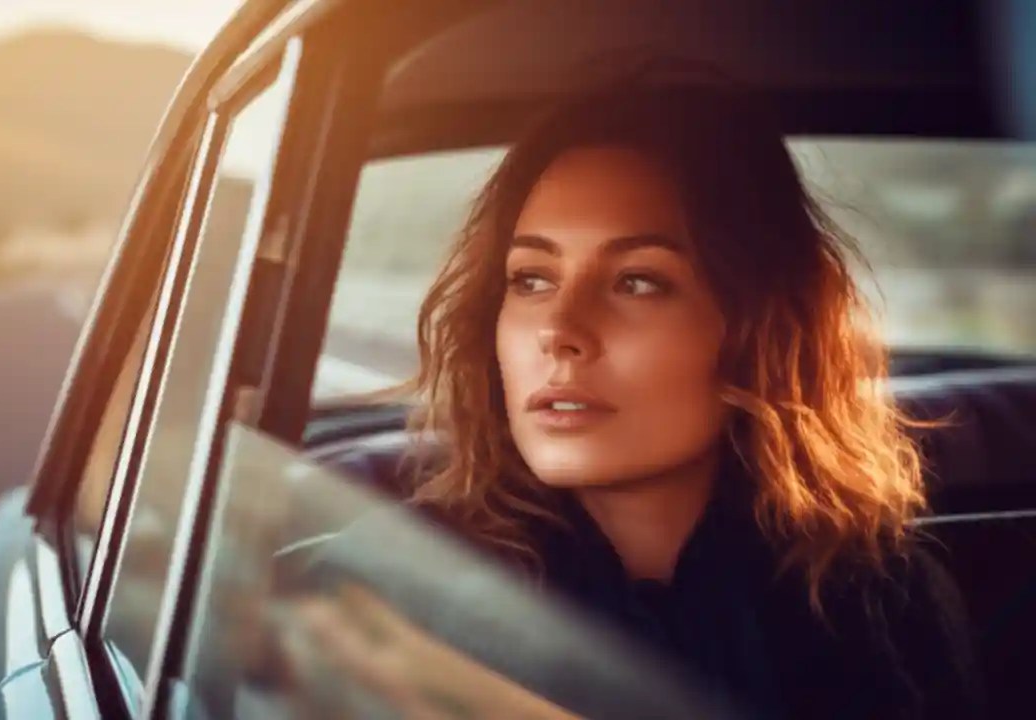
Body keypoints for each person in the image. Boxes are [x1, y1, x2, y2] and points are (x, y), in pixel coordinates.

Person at [360, 79, 983, 719]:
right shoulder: (403, 592)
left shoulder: (879, 594)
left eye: (637, 281)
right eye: (532, 278)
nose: (560, 332)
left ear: (757, 327)